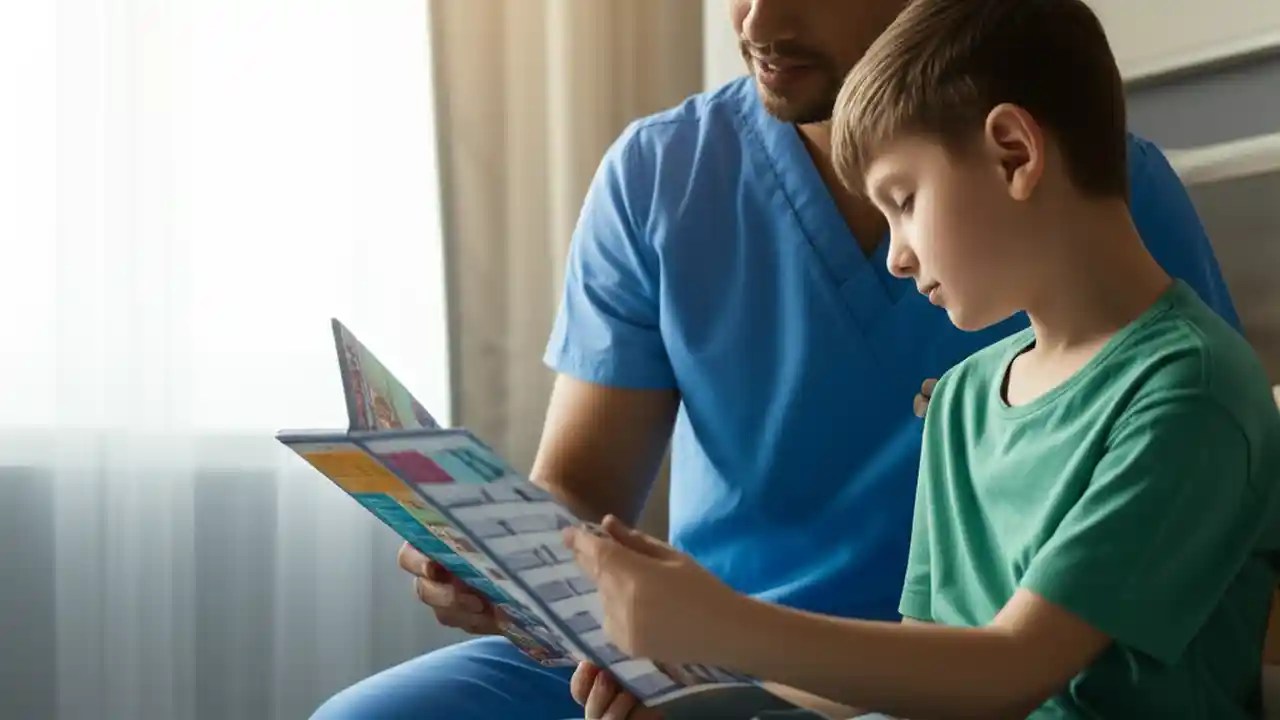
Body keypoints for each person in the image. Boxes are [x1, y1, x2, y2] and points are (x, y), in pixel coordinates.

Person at [310, 0, 1240, 717]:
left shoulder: (1110, 213)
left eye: (908, 202)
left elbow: (1204, 521)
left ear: (1013, 154)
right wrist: (492, 561)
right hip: (716, 648)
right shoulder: (662, 178)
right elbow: (579, 503)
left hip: (859, 656)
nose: (756, 21)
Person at [564, 0, 1280, 717]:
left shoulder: (1191, 394)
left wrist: (725, 627)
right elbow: (917, 682)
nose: (899, 257)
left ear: (1014, 154)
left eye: (904, 200)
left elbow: (1011, 670)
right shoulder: (966, 397)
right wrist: (691, 688)